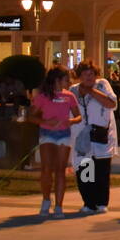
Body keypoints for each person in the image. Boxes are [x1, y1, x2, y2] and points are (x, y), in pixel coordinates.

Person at [27, 66, 81, 218]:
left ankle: (59, 206)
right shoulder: (43, 96)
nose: (69, 82)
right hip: (47, 133)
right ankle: (45, 200)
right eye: (66, 79)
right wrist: (46, 121)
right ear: (57, 80)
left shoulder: (69, 96)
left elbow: (79, 117)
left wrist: (70, 121)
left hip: (64, 134)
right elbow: (31, 117)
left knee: (60, 170)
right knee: (46, 169)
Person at [70, 61, 119, 214]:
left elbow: (111, 104)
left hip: (101, 135)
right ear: (79, 76)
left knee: (101, 170)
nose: (88, 77)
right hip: (82, 136)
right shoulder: (73, 90)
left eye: (91, 73)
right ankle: (88, 202)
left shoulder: (102, 85)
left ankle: (101, 202)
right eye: (84, 74)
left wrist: (91, 91)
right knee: (85, 170)